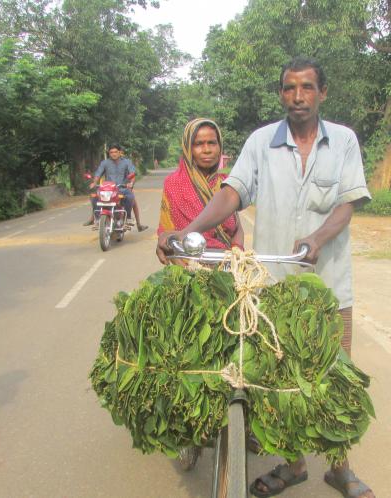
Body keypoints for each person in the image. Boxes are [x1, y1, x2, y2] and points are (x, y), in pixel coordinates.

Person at [157, 57, 374, 498]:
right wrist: (188, 230)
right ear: (281, 94)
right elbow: (231, 193)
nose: (298, 96)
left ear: (322, 93)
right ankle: (294, 464)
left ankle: (339, 467)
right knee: (278, 382)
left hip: (329, 287)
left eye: (307, 87)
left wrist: (317, 238)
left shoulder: (344, 141)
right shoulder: (260, 142)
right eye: (290, 88)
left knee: (335, 378)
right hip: (273, 289)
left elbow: (347, 204)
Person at [158, 118, 244, 250]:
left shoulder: (226, 184)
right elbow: (167, 233)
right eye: (198, 144)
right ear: (188, 148)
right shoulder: (174, 184)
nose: (207, 150)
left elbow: (237, 228)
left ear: (220, 146)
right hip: (187, 259)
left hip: (227, 259)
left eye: (212, 143)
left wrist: (237, 252)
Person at [84, 144, 148, 232]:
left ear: (120, 152)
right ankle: (97, 218)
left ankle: (129, 218)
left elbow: (132, 174)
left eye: (115, 152)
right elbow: (98, 174)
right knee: (94, 196)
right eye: (111, 152)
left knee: (130, 197)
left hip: (122, 188)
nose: (113, 154)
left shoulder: (127, 162)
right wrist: (94, 182)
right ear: (109, 153)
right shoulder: (105, 163)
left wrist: (131, 183)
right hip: (108, 190)